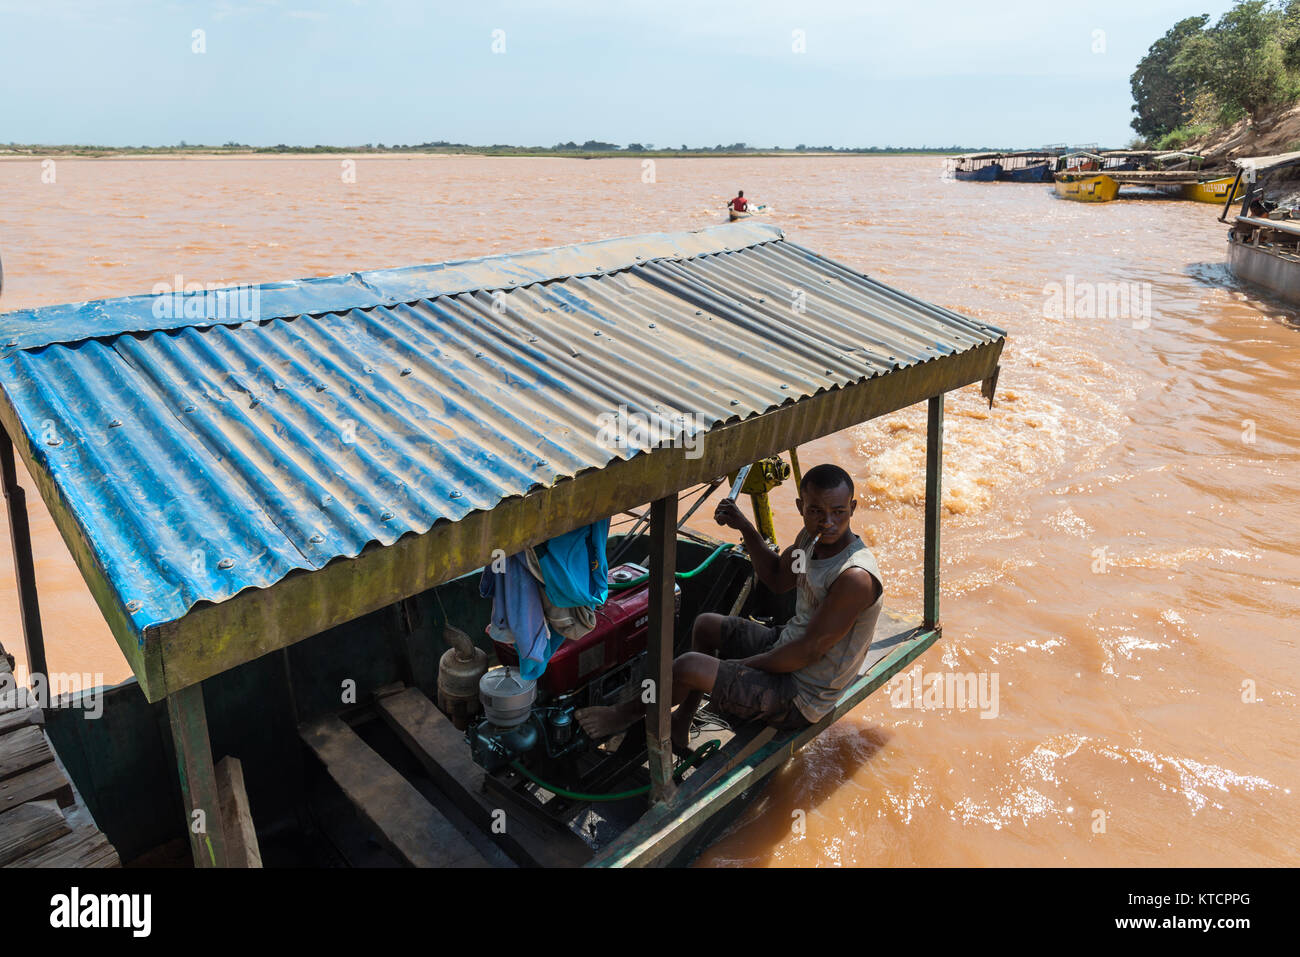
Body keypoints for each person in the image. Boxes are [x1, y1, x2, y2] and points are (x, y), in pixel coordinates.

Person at [576, 464, 884, 752]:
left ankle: (622, 715)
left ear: (853, 509)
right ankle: (682, 720)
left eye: (838, 512)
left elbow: (806, 653)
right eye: (816, 511)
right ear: (801, 508)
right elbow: (777, 578)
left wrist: (744, 666)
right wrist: (744, 526)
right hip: (788, 644)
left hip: (802, 695)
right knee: (707, 626)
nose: (827, 522)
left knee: (687, 667)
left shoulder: (854, 577)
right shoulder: (810, 539)